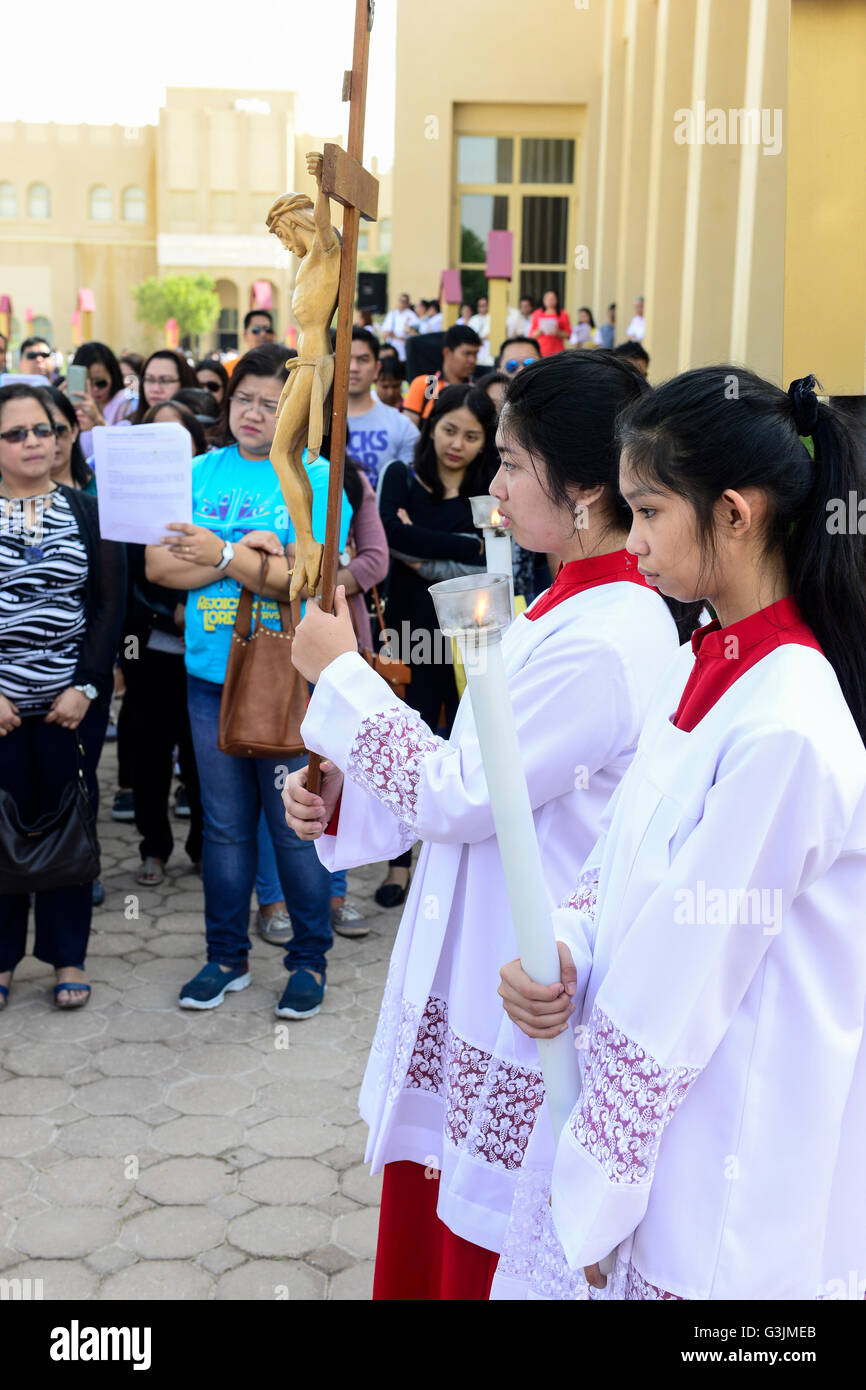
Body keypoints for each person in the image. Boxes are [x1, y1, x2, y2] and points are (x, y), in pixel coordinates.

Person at [282, 353, 700, 1299]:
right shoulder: (558, 598)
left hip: (525, 990)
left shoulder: (609, 635)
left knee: (480, 1242)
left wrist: (340, 676)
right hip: (490, 962)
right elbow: (481, 790)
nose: (496, 488)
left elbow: (465, 792)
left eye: (512, 465)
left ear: (590, 487)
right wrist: (342, 799)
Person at [495, 368, 866, 1302]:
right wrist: (569, 947)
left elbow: (683, 979)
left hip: (721, 1134)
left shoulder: (786, 721)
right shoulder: (707, 657)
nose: (638, 541)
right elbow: (620, 853)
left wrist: (595, 1188)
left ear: (736, 514)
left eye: (651, 512)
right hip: (646, 1115)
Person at [145, 347, 353, 1019]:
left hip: (289, 679)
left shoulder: (317, 480)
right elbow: (159, 567)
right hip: (208, 676)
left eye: (272, 402)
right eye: (243, 399)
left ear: (300, 412)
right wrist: (249, 557)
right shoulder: (197, 470)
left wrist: (218, 553)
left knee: (295, 827)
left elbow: (310, 580)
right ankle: (225, 957)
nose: (254, 414)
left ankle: (309, 962)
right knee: (227, 828)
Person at [0, 383, 125, 1010]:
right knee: (0, 828)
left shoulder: (87, 511)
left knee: (67, 830)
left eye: (43, 431)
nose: (32, 443)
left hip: (67, 706)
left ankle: (66, 956)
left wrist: (85, 687)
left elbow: (109, 608)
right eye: (16, 433)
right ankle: (1, 960)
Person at [369, 384, 497, 910]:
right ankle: (400, 862)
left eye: (471, 435)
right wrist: (460, 546)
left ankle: (455, 860)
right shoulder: (401, 477)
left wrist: (419, 542)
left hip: (466, 632)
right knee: (411, 742)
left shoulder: (490, 492)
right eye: (449, 429)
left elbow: (491, 560)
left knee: (463, 743)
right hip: (408, 629)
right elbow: (387, 539)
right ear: (430, 426)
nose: (457, 444)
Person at [118, 398, 205, 889]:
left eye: (177, 438)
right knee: (149, 751)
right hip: (145, 644)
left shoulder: (214, 490)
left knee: (199, 756)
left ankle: (202, 846)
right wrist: (168, 604)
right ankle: (153, 847)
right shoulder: (132, 498)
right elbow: (130, 570)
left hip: (204, 647)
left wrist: (188, 602)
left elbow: (220, 559)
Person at [347, 327, 419, 487]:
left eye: (363, 359)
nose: (353, 368)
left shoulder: (403, 427)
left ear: (377, 369)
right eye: (345, 358)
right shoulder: (313, 427)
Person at [402, 325, 481, 426]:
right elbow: (409, 434)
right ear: (447, 352)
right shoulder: (428, 384)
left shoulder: (476, 389)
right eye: (467, 354)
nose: (472, 360)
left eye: (475, 354)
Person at [68, 341, 136, 456]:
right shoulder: (75, 404)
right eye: (87, 384)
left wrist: (97, 420)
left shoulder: (127, 402)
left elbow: (125, 449)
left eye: (101, 383)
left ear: (113, 376)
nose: (95, 389)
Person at [43, 386, 95, 493]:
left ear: (74, 431)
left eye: (59, 430)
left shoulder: (99, 490)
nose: (52, 441)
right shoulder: (6, 494)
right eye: (42, 432)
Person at [131, 350, 197, 423]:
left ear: (184, 383)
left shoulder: (204, 427)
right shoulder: (127, 426)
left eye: (166, 380)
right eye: (150, 379)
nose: (155, 389)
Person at [380, 293, 420, 362]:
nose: (402, 303)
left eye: (404, 301)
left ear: (408, 303)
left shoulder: (411, 315)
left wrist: (398, 336)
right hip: (391, 347)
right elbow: (384, 332)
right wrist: (388, 334)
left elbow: (414, 333)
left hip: (403, 348)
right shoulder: (392, 314)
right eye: (401, 301)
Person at [529, 291, 570, 356]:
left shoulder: (563, 314)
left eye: (552, 299)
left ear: (556, 300)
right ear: (543, 300)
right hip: (541, 350)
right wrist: (539, 331)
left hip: (557, 351)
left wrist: (559, 333)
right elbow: (531, 335)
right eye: (547, 299)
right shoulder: (537, 313)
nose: (550, 301)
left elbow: (569, 335)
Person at [468, 295, 492, 365]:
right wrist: (481, 338)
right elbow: (471, 335)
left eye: (484, 305)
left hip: (489, 356)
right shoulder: (473, 319)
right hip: (477, 354)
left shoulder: (493, 317)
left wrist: (480, 337)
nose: (482, 308)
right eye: (480, 305)